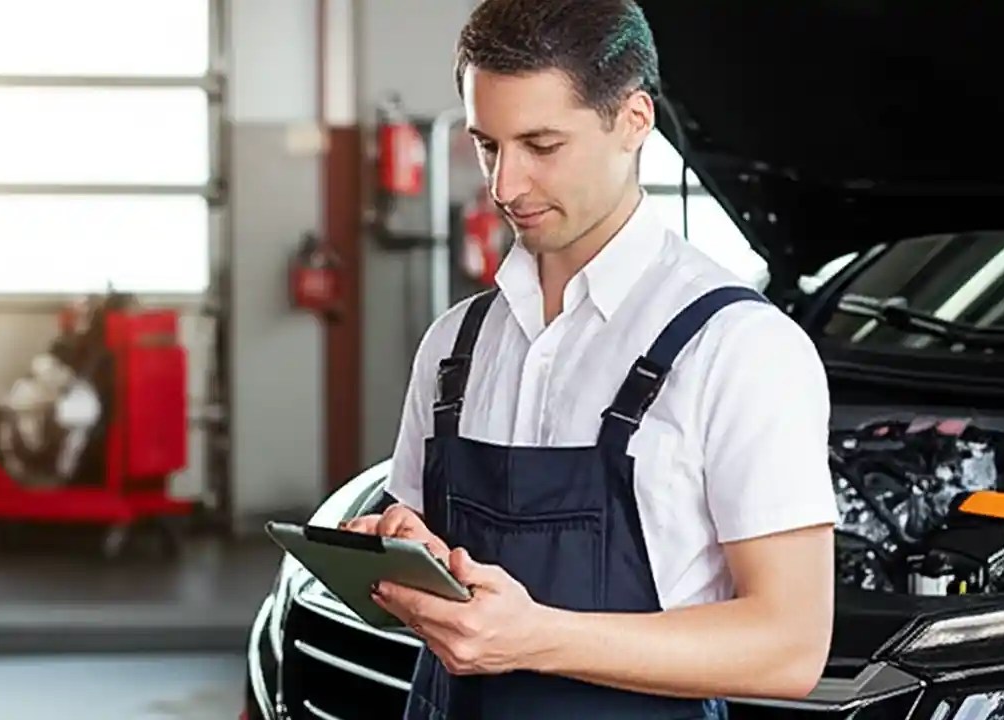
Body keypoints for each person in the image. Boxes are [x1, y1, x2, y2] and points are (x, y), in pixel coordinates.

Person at [342, 0, 838, 717]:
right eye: (487, 145)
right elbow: (422, 567)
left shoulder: (739, 348)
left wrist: (536, 639)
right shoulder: (456, 344)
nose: (504, 186)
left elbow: (789, 646)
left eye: (542, 146)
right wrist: (405, 554)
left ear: (634, 122)